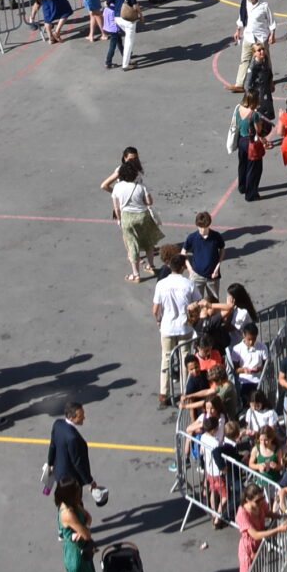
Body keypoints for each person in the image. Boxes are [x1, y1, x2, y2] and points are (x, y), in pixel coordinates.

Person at [103, 148, 166, 281]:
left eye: (135, 158)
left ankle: (135, 272)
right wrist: (128, 197)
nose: (134, 160)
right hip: (139, 211)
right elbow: (104, 185)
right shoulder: (128, 176)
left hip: (127, 213)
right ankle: (145, 262)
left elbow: (116, 205)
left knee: (132, 240)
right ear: (124, 158)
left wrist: (119, 197)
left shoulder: (121, 184)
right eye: (131, 158)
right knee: (145, 241)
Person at [153, 251, 204, 410]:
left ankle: (164, 393)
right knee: (185, 359)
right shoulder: (188, 284)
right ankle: (184, 392)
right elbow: (198, 302)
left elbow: (155, 309)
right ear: (182, 267)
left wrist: (159, 320)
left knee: (166, 358)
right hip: (184, 326)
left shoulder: (161, 284)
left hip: (167, 327)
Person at [236, 0, 272, 86]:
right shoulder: (245, 2)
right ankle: (239, 84)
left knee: (265, 60)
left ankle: (269, 81)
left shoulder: (264, 5)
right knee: (244, 59)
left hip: (261, 37)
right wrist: (238, 30)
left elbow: (271, 21)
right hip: (248, 36)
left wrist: (272, 34)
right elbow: (241, 17)